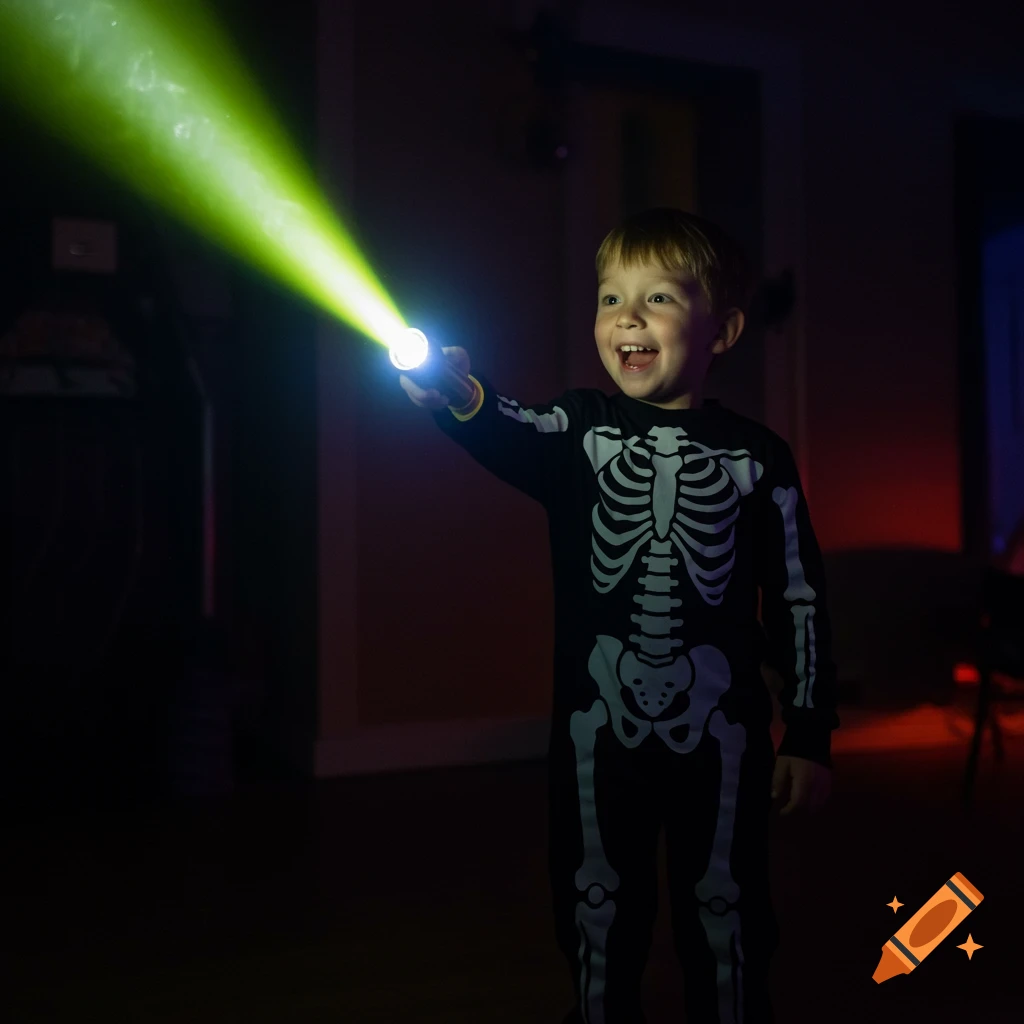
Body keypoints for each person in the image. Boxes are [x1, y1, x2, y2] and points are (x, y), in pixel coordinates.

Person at [400, 207, 838, 1024]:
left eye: (659, 299)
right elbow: (505, 425)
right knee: (596, 906)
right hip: (597, 725)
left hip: (724, 728)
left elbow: (798, 595)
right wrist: (454, 392)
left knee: (730, 906)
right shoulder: (578, 430)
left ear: (724, 330)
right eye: (610, 299)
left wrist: (810, 732)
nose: (627, 318)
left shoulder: (758, 458)